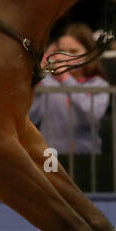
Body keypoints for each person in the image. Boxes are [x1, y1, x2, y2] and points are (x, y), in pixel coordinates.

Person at [29, 23, 110, 156]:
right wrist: (38, 76)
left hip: (86, 156)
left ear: (90, 53)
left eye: (73, 52)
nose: (64, 57)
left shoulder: (99, 84)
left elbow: (91, 117)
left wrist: (66, 79)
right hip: (51, 156)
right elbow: (31, 117)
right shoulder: (48, 82)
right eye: (60, 51)